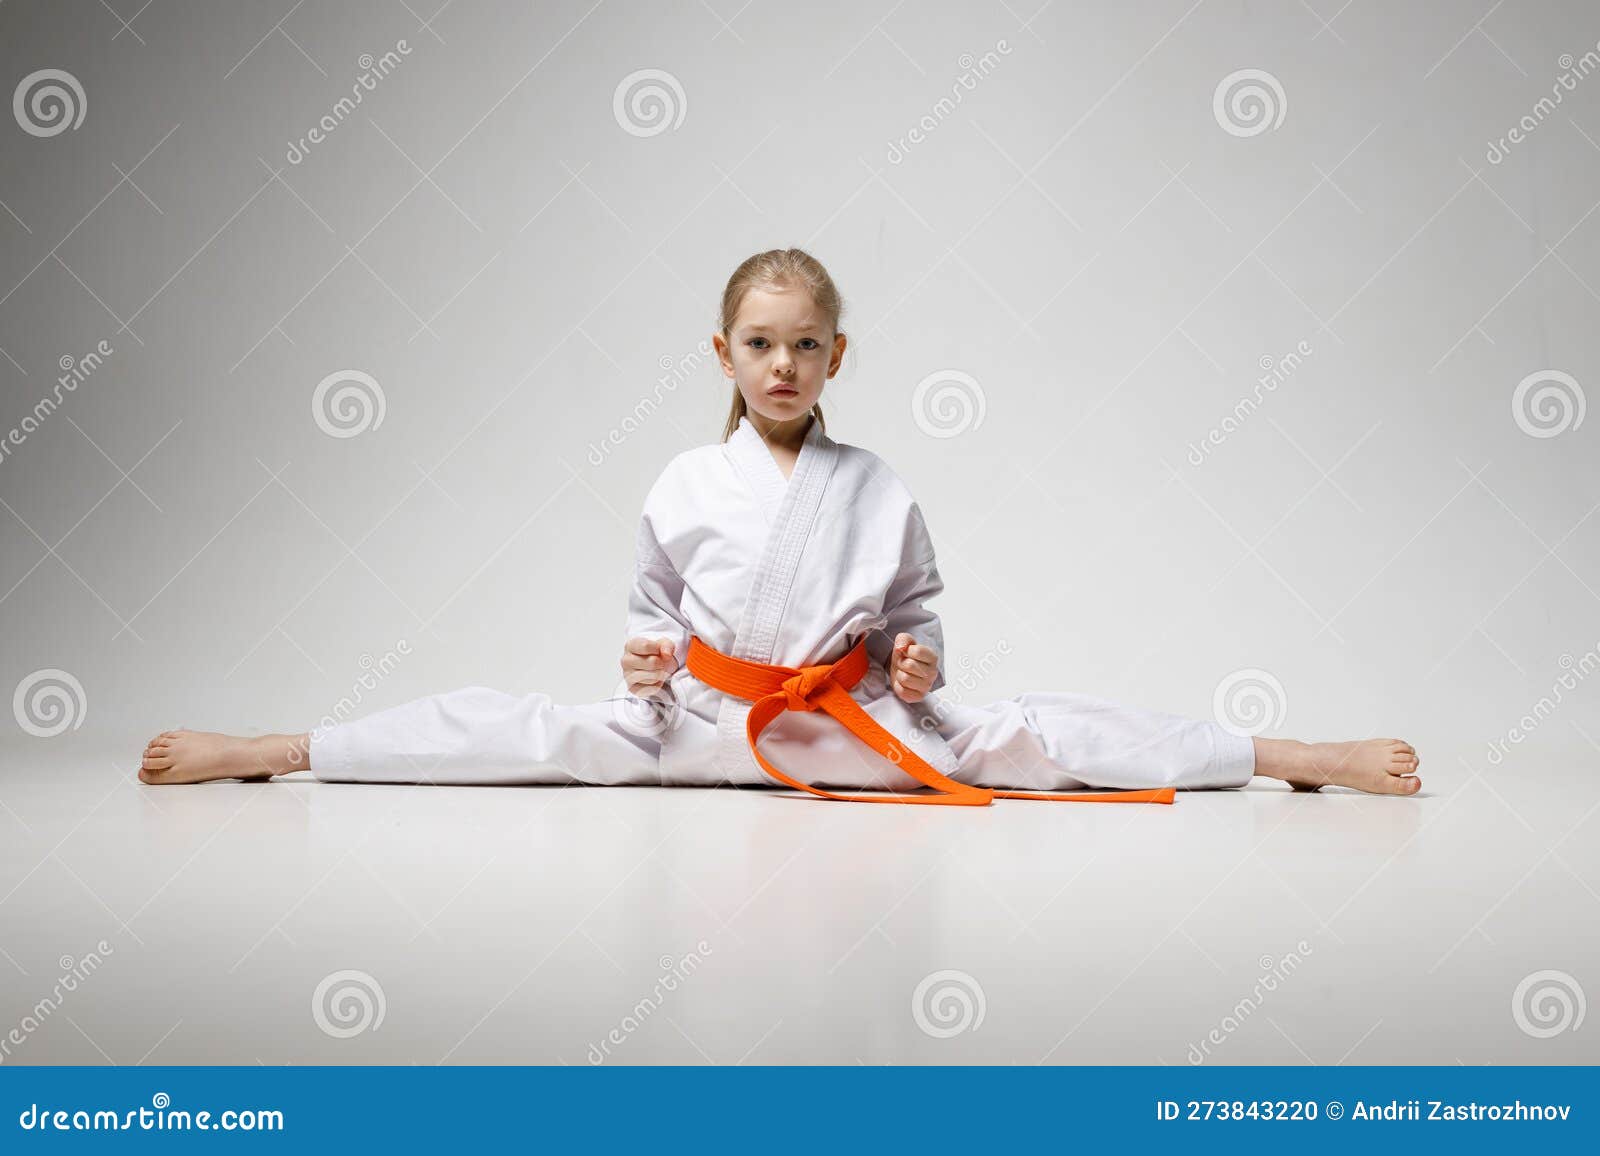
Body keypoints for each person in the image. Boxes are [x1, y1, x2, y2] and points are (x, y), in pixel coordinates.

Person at [138, 249, 1421, 799]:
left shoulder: (879, 487)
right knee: (514, 732)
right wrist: (644, 661)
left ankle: (1282, 754)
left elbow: (916, 628)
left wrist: (916, 668)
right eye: (760, 343)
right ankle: (283, 746)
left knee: (1048, 734)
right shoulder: (684, 482)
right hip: (693, 732)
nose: (783, 365)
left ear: (838, 354)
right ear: (724, 351)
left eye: (807, 344)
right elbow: (648, 624)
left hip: (847, 731)